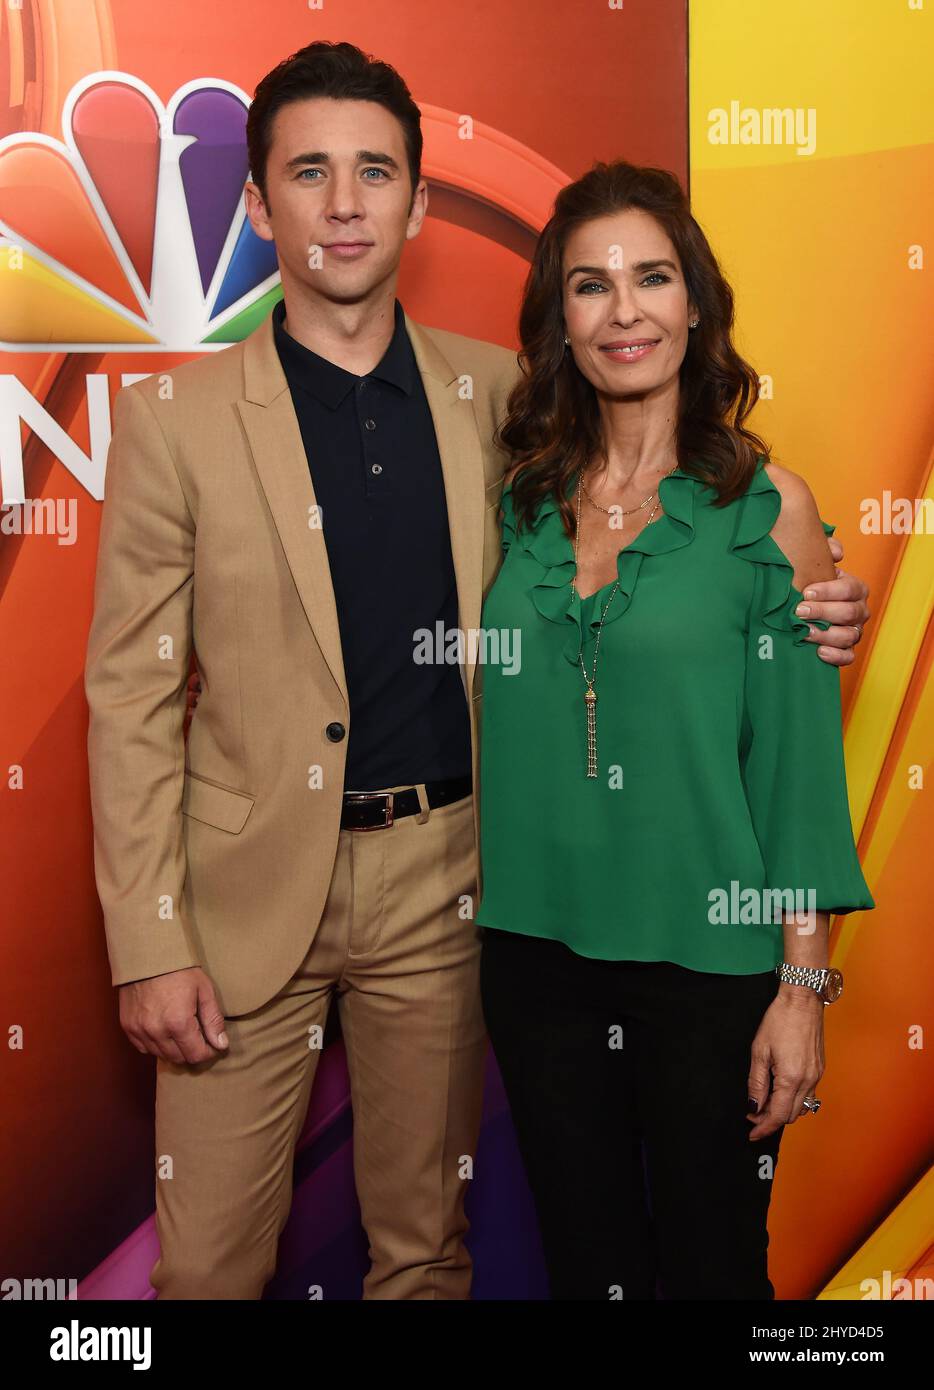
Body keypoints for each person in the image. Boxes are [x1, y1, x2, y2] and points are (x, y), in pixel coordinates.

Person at [86, 41, 870, 1301]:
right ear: (256, 203)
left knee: (427, 1255)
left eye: (375, 172)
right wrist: (147, 938)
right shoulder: (181, 424)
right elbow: (128, 696)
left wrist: (820, 600)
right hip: (246, 896)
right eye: (309, 172)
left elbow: (724, 602)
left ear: (416, 200)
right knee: (212, 1268)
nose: (344, 203)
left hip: (452, 890)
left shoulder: (498, 404)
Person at [474, 160, 875, 1300]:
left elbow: (797, 774)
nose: (624, 309)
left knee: (710, 1275)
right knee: (590, 1268)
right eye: (591, 285)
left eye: (651, 277)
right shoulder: (520, 498)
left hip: (712, 969)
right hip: (537, 960)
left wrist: (804, 991)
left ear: (694, 303)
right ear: (562, 317)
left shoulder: (767, 506)